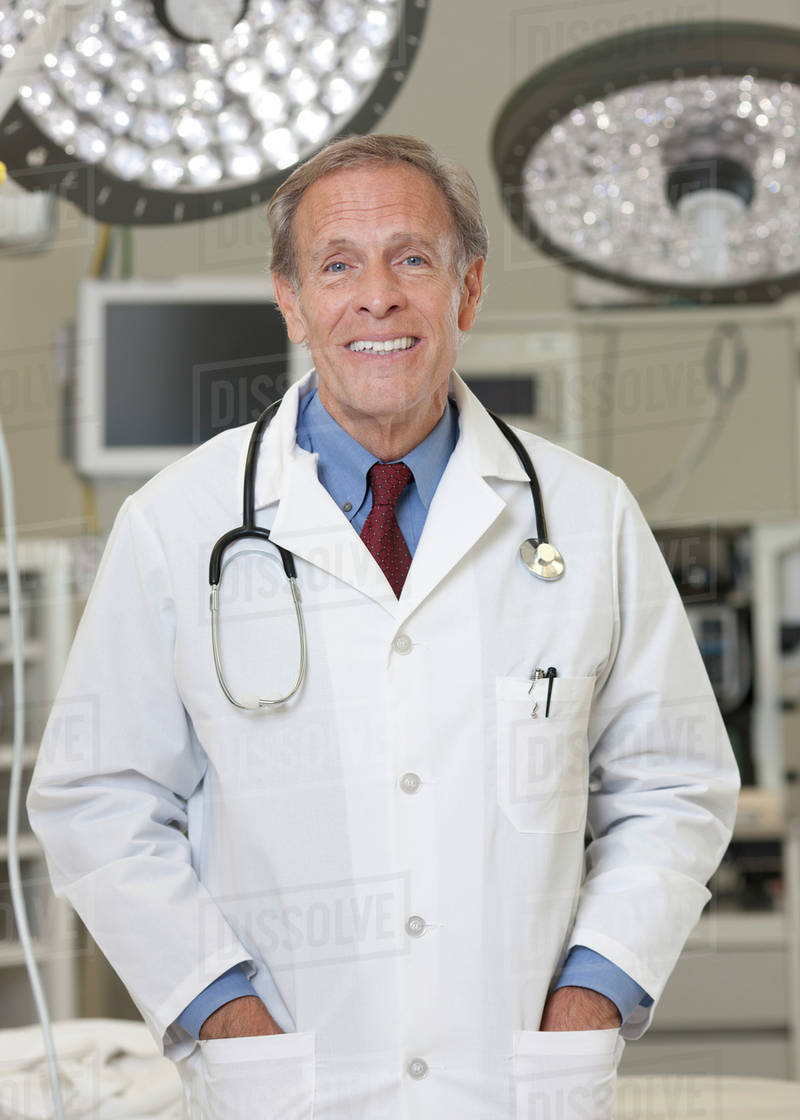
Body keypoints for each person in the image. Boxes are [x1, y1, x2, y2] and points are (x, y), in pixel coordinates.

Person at [28, 134, 740, 1119]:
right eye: (337, 265)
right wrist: (224, 1014)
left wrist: (592, 999)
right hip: (281, 1083)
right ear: (290, 299)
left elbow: (672, 787)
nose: (377, 297)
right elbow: (97, 802)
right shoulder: (176, 525)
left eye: (411, 258)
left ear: (468, 288)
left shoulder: (587, 516)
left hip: (515, 1081)